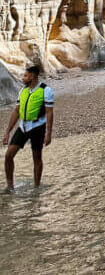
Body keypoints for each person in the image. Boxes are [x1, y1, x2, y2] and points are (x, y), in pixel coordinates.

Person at [3, 63, 54, 192]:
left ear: (33, 76)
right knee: (9, 155)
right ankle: (10, 186)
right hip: (23, 126)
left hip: (38, 127)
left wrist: (48, 134)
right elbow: (16, 111)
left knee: (37, 157)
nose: (23, 78)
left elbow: (49, 113)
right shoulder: (23, 91)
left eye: (25, 76)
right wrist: (8, 131)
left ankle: (36, 187)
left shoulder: (45, 90)